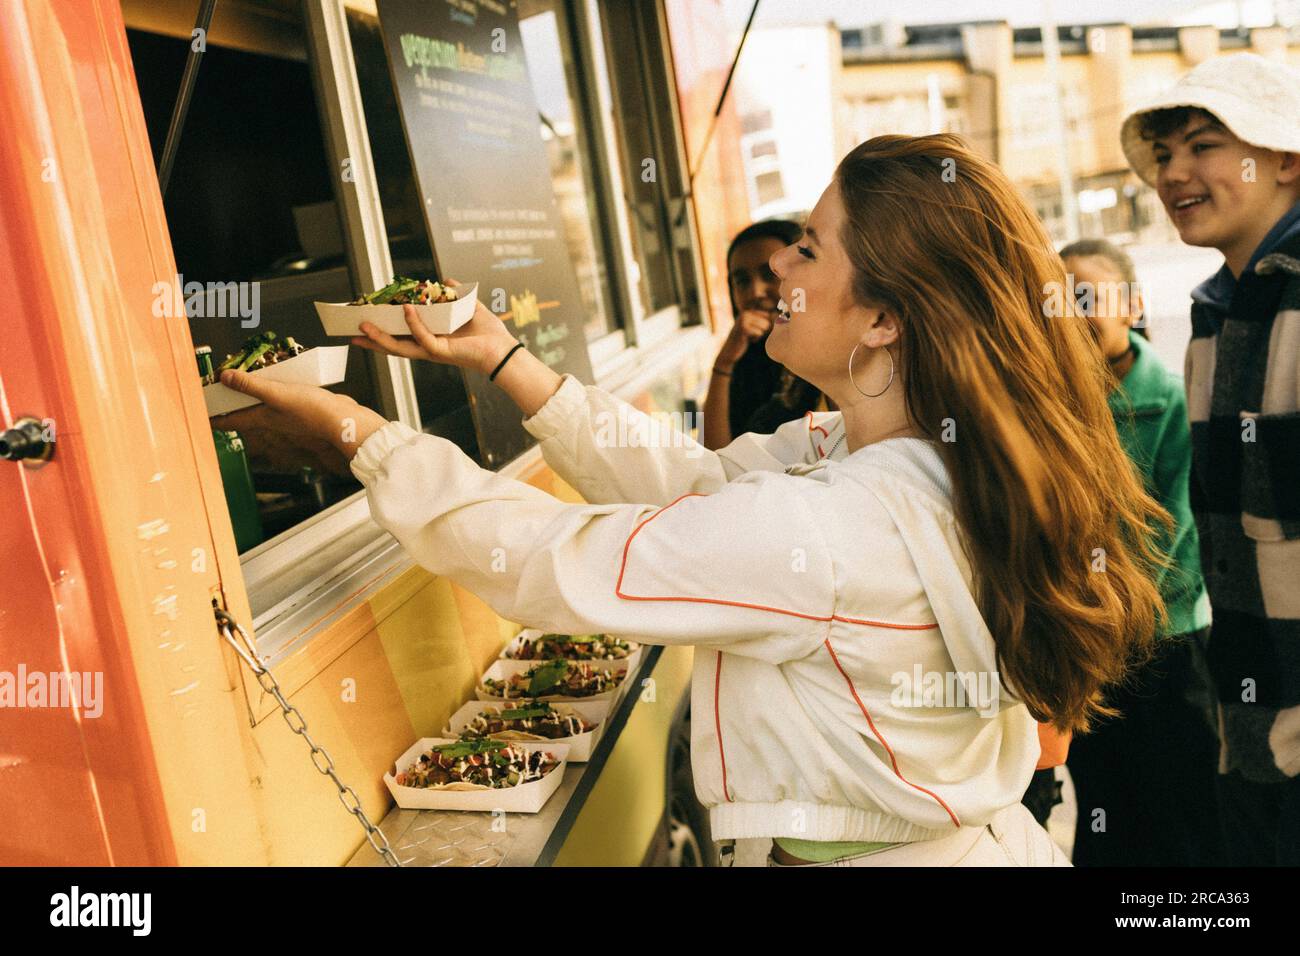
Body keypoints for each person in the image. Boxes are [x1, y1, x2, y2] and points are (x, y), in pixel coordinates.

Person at [218, 133, 1168, 867]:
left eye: (808, 249)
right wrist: (503, 362)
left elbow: (555, 560)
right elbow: (698, 484)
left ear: (884, 319)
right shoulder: (892, 458)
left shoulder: (844, 523)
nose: (779, 274)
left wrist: (353, 438)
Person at [1120, 52, 1300, 865]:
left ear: (1286, 157)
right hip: (1256, 738)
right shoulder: (1213, 318)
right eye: (1163, 155)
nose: (1174, 172)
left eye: (1203, 144)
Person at [1058, 238, 1222, 865]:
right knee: (1107, 819)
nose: (1068, 316)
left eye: (1082, 297)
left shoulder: (1174, 400)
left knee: (1185, 820)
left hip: (1168, 647)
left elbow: (1174, 543)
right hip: (1088, 653)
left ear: (1130, 305)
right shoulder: (1055, 410)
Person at [703, 220, 823, 450]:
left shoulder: (833, 350)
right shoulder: (745, 358)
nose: (755, 292)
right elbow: (713, 459)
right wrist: (724, 363)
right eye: (742, 281)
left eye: (769, 274)